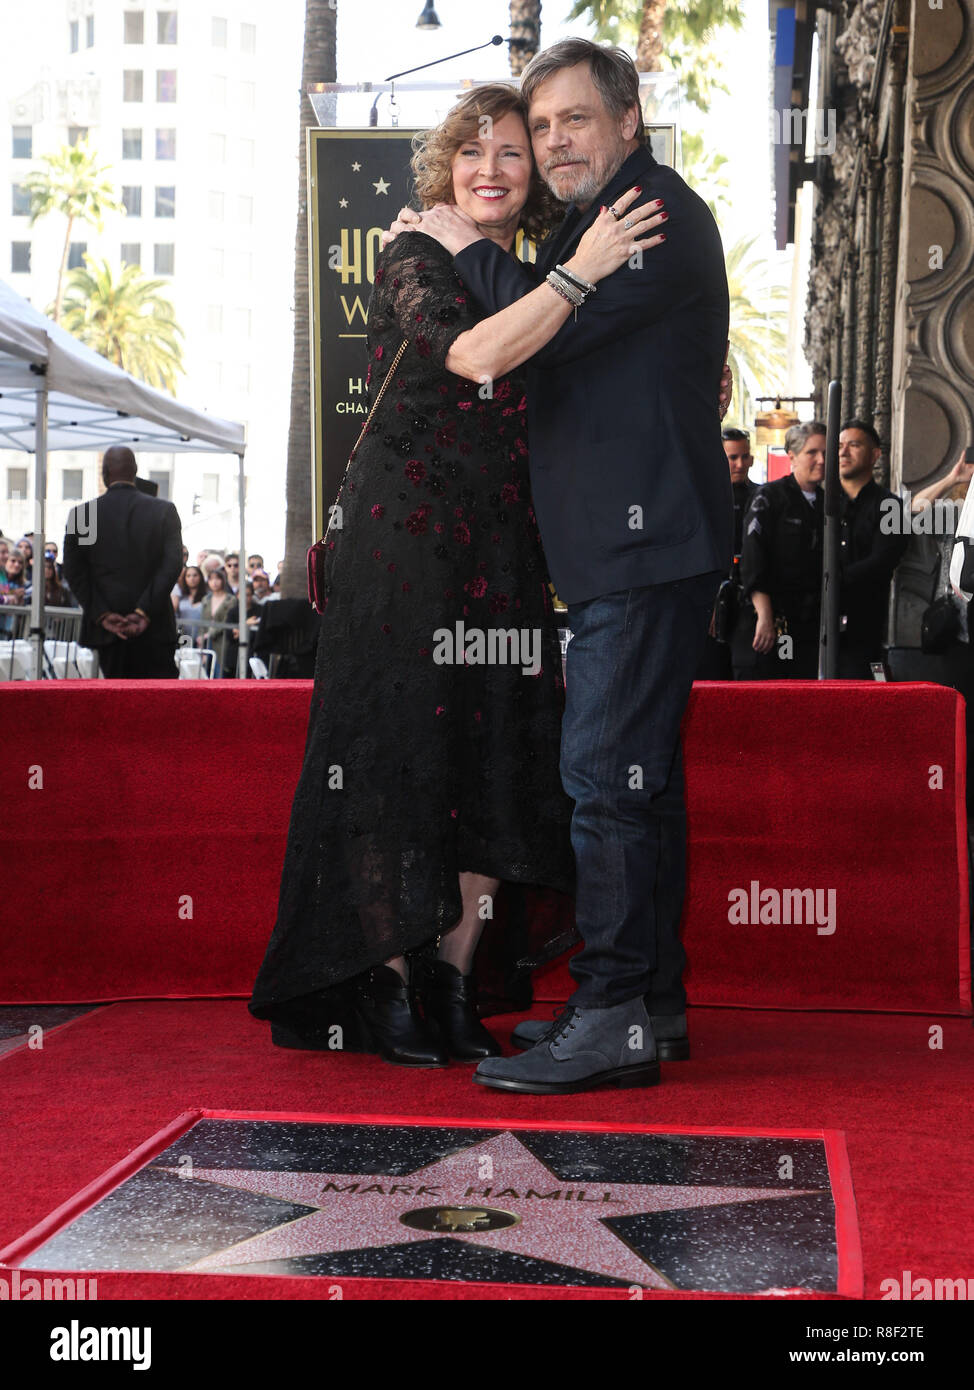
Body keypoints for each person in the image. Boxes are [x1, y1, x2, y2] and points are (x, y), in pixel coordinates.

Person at [249, 80, 671, 1070]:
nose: (490, 168)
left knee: (497, 765)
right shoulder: (416, 253)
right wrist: (583, 276)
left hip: (503, 549)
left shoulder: (520, 270)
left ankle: (449, 979)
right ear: (446, 167)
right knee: (396, 756)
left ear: (532, 178)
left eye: (513, 154)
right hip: (403, 547)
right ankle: (385, 984)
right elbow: (474, 355)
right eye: (472, 151)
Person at [389, 39, 733, 1094]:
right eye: (540, 128)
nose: (551, 144)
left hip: (642, 552)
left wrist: (455, 240)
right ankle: (652, 1001)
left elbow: (534, 333)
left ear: (627, 119)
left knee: (600, 781)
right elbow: (554, 308)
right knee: (640, 781)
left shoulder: (648, 216)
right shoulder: (598, 223)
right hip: (625, 554)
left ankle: (613, 1011)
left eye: (571, 121)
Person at [61, 446, 184, 679]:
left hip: (107, 632)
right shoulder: (163, 511)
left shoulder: (82, 515)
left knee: (114, 707)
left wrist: (103, 614)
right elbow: (172, 565)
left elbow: (74, 572)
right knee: (159, 706)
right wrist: (143, 610)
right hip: (155, 627)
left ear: (105, 474)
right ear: (135, 471)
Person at [738, 421, 826, 680]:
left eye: (825, 452)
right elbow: (754, 558)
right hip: (771, 623)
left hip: (809, 627)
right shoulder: (769, 497)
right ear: (792, 457)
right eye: (812, 452)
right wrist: (764, 615)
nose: (821, 460)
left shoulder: (830, 503)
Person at [836, 419, 909, 677]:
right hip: (815, 624)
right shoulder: (823, 502)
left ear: (875, 454)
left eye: (854, 445)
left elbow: (882, 561)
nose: (843, 452)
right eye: (839, 445)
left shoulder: (890, 506)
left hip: (865, 626)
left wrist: (832, 580)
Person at [697, 426, 758, 679]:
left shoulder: (762, 496)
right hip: (711, 595)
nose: (740, 464)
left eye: (744, 457)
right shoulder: (701, 496)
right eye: (733, 457)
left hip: (750, 597)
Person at [198, 566, 238, 677]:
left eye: (217, 578)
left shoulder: (231, 599)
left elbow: (226, 621)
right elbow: (202, 621)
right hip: (205, 642)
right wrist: (201, 637)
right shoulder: (206, 599)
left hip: (223, 641)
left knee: (219, 673)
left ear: (223, 580)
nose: (214, 582)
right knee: (203, 674)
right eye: (211, 579)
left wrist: (209, 634)